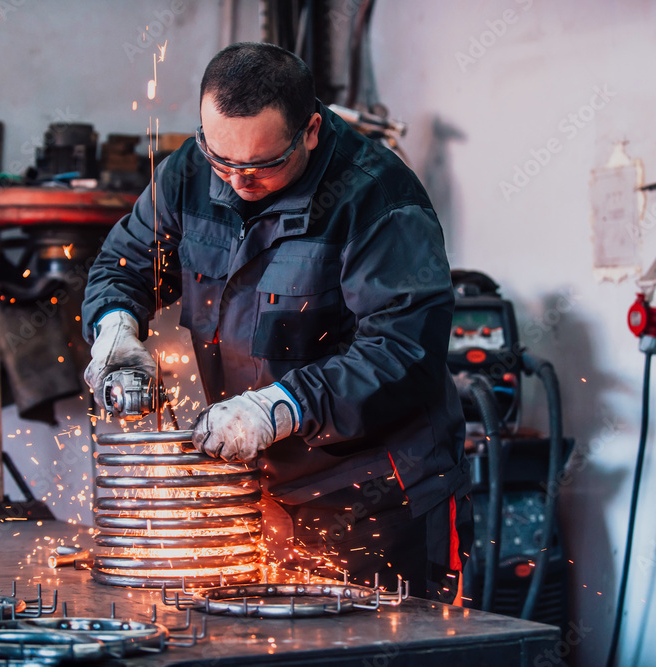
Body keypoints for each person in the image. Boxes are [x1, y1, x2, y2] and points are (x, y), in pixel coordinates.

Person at [82, 42, 471, 603]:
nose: (238, 180)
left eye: (262, 165)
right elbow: (124, 264)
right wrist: (115, 329)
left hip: (379, 499)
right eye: (222, 159)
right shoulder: (190, 172)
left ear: (309, 130)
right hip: (262, 495)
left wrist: (281, 406)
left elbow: (401, 351)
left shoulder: (378, 199)